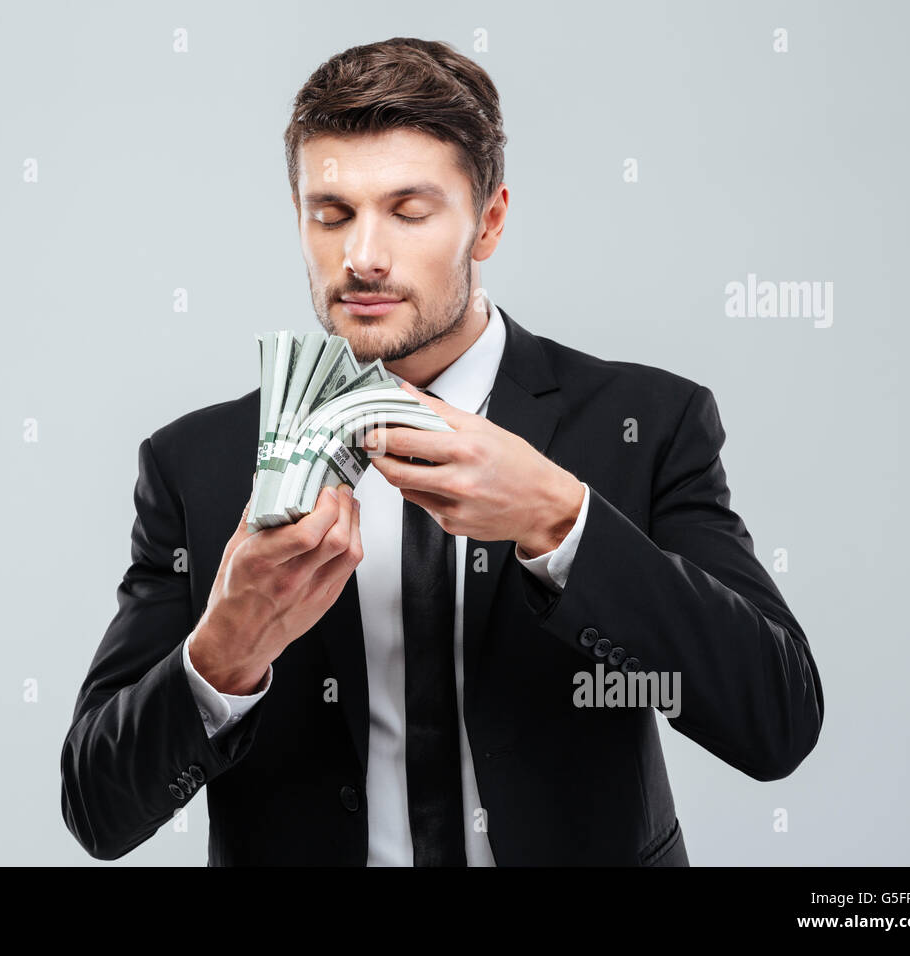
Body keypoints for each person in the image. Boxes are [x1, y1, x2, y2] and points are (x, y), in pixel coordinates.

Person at [60, 36, 823, 866]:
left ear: (488, 221)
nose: (363, 258)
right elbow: (100, 812)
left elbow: (774, 721)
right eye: (333, 213)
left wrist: (560, 520)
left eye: (410, 212)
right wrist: (224, 651)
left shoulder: (643, 422)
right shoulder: (196, 466)